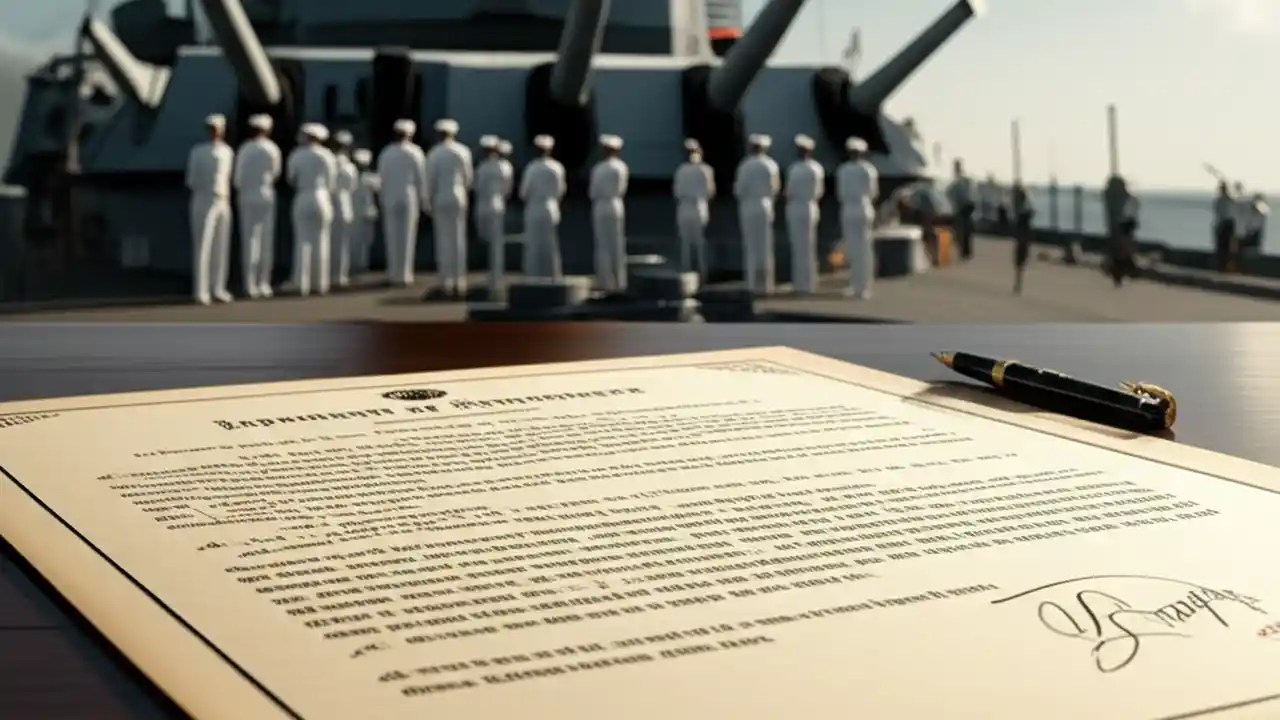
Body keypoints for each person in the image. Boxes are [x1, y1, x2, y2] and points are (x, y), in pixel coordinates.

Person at [185, 113, 235, 306]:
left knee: (221, 245)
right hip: (203, 198)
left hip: (223, 199)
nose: (214, 132)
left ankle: (218, 287)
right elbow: (191, 179)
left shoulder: (228, 152)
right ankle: (201, 290)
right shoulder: (197, 152)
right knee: (203, 245)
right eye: (211, 129)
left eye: (216, 129)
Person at [231, 113, 280, 299]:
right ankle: (264, 283)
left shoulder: (245, 149)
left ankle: (249, 283)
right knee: (267, 240)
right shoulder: (273, 149)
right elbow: (276, 173)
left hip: (247, 195)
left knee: (250, 240)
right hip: (266, 194)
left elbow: (237, 178)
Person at [285, 123, 337, 297]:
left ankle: (302, 283)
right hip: (322, 197)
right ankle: (320, 283)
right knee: (322, 241)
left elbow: (291, 178)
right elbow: (332, 181)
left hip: (304, 195)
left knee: (303, 241)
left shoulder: (297, 155)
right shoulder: (328, 156)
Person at [423, 118, 473, 298]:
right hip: (458, 195)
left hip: (441, 196)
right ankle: (460, 281)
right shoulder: (463, 151)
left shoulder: (434, 153)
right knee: (458, 239)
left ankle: (445, 281)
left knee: (443, 240)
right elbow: (468, 177)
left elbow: (429, 180)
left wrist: (427, 201)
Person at [377, 119, 428, 287]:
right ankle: (406, 274)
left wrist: (381, 198)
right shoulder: (415, 152)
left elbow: (381, 177)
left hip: (391, 194)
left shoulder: (386, 152)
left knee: (392, 235)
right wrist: (424, 200)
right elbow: (421, 178)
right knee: (408, 235)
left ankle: (393, 272)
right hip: (409, 195)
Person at [733, 134, 781, 296]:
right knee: (766, 246)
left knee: (751, 246)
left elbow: (739, 190)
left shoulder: (744, 166)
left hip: (749, 205)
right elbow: (775, 188)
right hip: (765, 205)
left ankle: (753, 284)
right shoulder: (771, 165)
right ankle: (767, 285)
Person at [519, 134, 567, 279]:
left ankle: (534, 276)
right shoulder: (557, 168)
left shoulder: (531, 168)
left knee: (534, 243)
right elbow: (561, 190)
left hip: (535, 207)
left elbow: (524, 192)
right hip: (551, 206)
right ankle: (553, 275)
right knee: (551, 243)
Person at [836, 137, 878, 300]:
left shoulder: (843, 170)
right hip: (864, 207)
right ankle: (863, 286)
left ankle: (856, 285)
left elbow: (841, 193)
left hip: (849, 208)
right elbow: (873, 192)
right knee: (863, 248)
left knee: (854, 248)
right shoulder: (869, 170)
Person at [474, 135, 514, 298]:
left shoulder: (482, 168)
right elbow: (508, 189)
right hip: (498, 204)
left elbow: (475, 186)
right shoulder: (505, 167)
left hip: (482, 205)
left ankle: (492, 279)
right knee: (497, 245)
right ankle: (496, 279)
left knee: (488, 241)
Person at [589, 134, 630, 293]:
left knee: (603, 243)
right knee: (617, 242)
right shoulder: (622, 167)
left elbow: (593, 191)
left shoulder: (598, 168)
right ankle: (620, 281)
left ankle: (605, 280)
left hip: (601, 204)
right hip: (617, 203)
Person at [784, 134, 824, 294]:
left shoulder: (794, 169)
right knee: (809, 245)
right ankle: (810, 282)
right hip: (811, 206)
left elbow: (789, 191)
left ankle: (800, 284)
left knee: (799, 246)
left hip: (797, 207)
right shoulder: (817, 168)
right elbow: (819, 191)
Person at [673, 138, 715, 282]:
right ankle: (703, 272)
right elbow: (710, 191)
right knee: (700, 241)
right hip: (699, 205)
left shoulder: (681, 170)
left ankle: (687, 272)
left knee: (685, 242)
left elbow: (677, 192)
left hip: (685, 206)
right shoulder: (706, 170)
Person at [329, 129, 359, 288]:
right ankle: (340, 275)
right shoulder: (349, 167)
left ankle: (328, 273)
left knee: (329, 241)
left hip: (330, 202)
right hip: (345, 203)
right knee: (343, 243)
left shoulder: (329, 161)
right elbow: (353, 186)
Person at [350, 148, 380, 276]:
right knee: (357, 239)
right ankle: (356, 264)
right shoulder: (355, 176)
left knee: (365, 239)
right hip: (357, 211)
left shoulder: (371, 178)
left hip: (366, 211)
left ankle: (361, 264)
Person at [946, 160, 976, 259]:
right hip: (966, 206)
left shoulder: (960, 180)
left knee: (961, 230)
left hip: (964, 207)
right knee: (964, 230)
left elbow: (952, 192)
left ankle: (964, 251)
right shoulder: (962, 179)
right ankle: (965, 251)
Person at [1111, 182, 1139, 287]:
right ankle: (1121, 274)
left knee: (1124, 247)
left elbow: (1128, 213)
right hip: (1127, 223)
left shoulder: (1128, 200)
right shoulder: (1131, 200)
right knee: (1124, 248)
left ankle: (1120, 275)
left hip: (1126, 223)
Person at [1011, 182, 1034, 295]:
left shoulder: (1018, 208)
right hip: (1025, 234)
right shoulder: (1026, 208)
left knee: (1019, 260)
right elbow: (1032, 212)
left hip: (1020, 234)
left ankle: (1018, 283)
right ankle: (1018, 282)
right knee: (1021, 260)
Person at [1212, 181, 1236, 273]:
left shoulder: (1228, 199)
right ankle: (1221, 265)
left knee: (1227, 247)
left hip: (1227, 223)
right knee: (1221, 246)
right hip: (1223, 223)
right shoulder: (1219, 200)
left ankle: (1226, 266)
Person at [1242, 193, 1270, 257]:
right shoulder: (1248, 207)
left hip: (1255, 230)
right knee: (1246, 248)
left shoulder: (1262, 209)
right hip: (1248, 230)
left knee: (1254, 248)